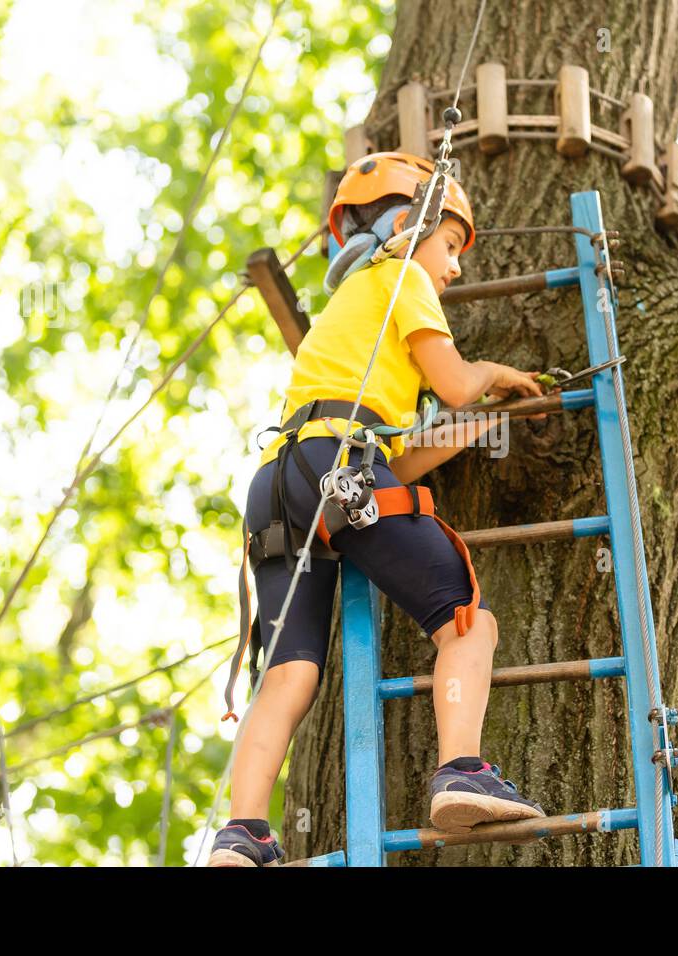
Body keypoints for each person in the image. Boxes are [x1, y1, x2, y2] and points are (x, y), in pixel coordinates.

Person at [207, 151, 548, 867]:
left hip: (281, 480)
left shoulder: (349, 309)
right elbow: (453, 383)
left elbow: (397, 456)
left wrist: (476, 425)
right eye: (450, 245)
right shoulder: (401, 279)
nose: (454, 269)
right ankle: (461, 770)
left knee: (291, 670)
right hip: (341, 471)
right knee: (467, 621)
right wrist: (489, 377)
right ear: (407, 226)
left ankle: (241, 835)